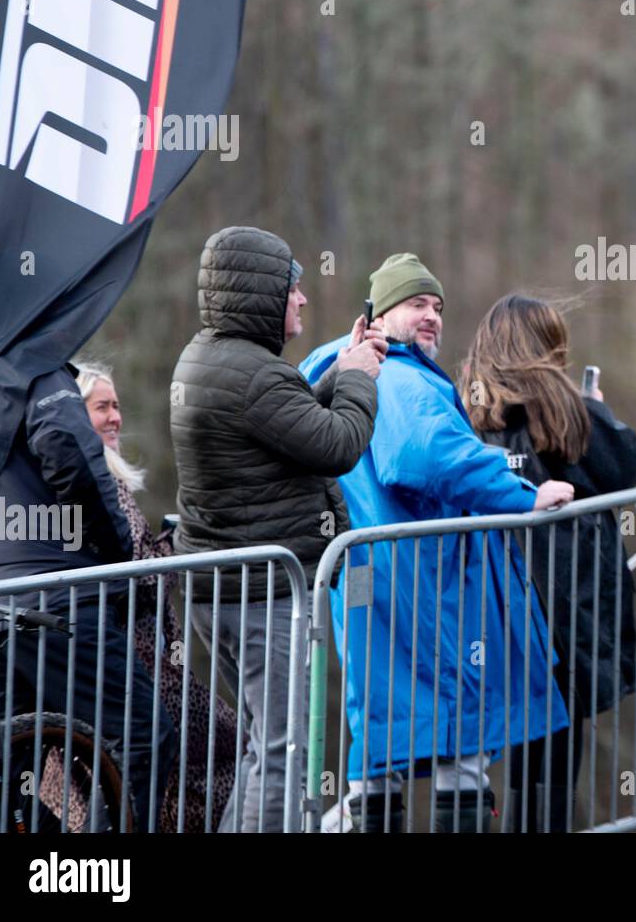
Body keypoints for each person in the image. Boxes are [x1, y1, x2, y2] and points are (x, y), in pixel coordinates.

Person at [300, 254, 575, 834]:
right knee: (461, 736)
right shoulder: (400, 377)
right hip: (425, 584)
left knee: (379, 734)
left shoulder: (335, 370)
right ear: (378, 315)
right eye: (416, 304)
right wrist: (522, 494)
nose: (431, 317)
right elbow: (426, 456)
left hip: (368, 579)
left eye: (437, 307)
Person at [170, 226, 383, 832]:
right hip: (262, 595)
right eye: (294, 288)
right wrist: (363, 377)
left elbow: (285, 427)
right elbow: (337, 444)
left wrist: (342, 370)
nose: (303, 300)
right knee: (288, 754)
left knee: (266, 745)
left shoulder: (212, 359)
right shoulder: (256, 374)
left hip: (227, 591)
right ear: (264, 294)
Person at [462, 294, 636, 832]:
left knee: (519, 746)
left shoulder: (472, 413)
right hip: (568, 605)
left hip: (498, 608)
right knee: (558, 751)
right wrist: (600, 409)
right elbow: (622, 465)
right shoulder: (568, 410)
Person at [0, 363, 176, 833]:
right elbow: (67, 450)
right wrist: (115, 553)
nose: (114, 417)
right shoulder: (40, 369)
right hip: (55, 600)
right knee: (146, 733)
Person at [75, 360, 240, 834]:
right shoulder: (100, 483)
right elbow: (134, 570)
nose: (115, 418)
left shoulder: (91, 479)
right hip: (139, 664)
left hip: (127, 662)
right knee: (224, 743)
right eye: (102, 407)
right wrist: (171, 549)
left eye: (117, 407)